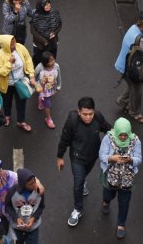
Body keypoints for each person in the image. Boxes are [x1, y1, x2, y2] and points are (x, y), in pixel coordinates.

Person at [57, 97, 112, 227]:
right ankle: (78, 209)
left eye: (90, 114)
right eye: (85, 114)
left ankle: (83, 181)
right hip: (77, 158)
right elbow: (64, 139)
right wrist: (59, 157)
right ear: (79, 112)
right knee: (78, 183)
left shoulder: (98, 117)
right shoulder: (72, 121)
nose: (88, 117)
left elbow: (109, 129)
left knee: (84, 175)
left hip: (93, 156)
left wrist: (122, 136)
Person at [99, 118, 143, 239]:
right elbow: (102, 155)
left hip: (127, 179)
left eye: (125, 135)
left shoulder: (136, 141)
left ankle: (121, 224)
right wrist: (111, 158)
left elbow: (139, 159)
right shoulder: (108, 138)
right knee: (108, 194)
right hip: (110, 176)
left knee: (124, 201)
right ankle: (106, 201)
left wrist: (130, 160)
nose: (123, 138)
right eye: (121, 135)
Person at [114, 14, 143, 124]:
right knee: (137, 90)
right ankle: (134, 112)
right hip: (130, 68)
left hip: (125, 64)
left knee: (132, 86)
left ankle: (122, 102)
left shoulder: (134, 28)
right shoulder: (139, 38)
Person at [0, 34, 35, 131]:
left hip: (20, 82)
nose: (14, 45)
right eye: (11, 44)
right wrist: (10, 63)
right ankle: (7, 116)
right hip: (6, 85)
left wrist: (31, 75)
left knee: (22, 102)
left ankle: (21, 121)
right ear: (5, 45)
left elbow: (28, 60)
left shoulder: (20, 48)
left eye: (14, 42)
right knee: (6, 101)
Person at [5, 168, 46, 244]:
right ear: (23, 184)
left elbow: (41, 207)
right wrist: (16, 218)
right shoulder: (12, 192)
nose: (34, 185)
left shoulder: (39, 191)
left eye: (34, 182)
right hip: (17, 228)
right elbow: (7, 207)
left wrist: (34, 218)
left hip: (33, 228)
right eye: (30, 184)